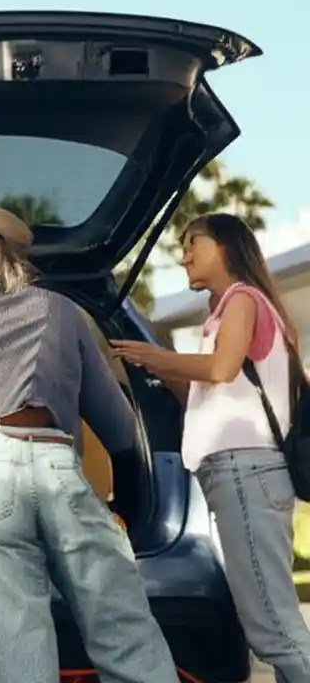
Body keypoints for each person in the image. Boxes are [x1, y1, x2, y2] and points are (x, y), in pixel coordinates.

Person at [0, 206, 178, 683]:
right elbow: (120, 426)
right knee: (123, 629)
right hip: (57, 462)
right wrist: (127, 506)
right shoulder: (59, 309)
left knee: (15, 642)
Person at [112, 212, 310, 681]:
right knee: (271, 622)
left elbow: (221, 369)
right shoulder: (226, 311)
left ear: (225, 246)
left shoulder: (243, 298)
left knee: (273, 627)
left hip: (245, 472)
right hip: (239, 475)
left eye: (192, 244)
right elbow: (207, 392)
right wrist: (159, 370)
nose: (183, 257)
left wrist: (156, 355)